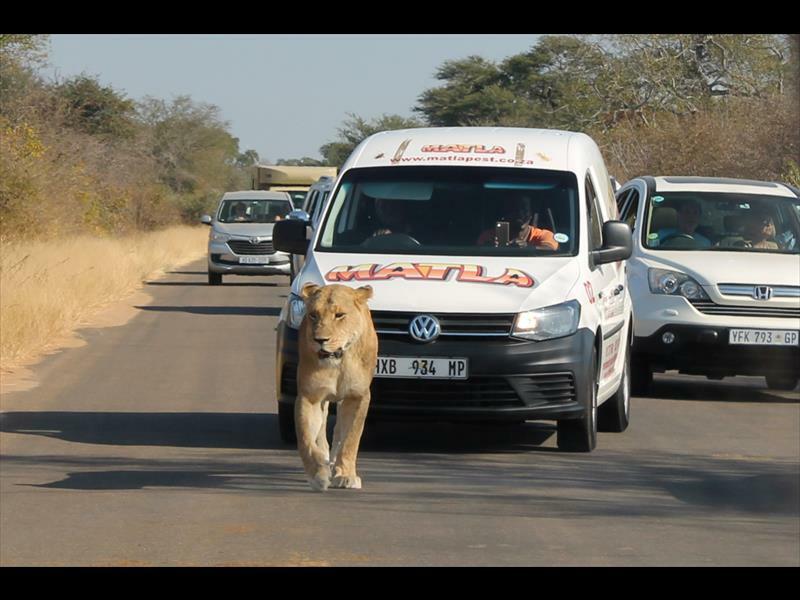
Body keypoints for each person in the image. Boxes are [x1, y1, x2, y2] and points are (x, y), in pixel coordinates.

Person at [477, 194, 558, 250]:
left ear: (531, 214)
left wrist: (527, 248)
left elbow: (550, 249)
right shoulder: (489, 236)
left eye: (524, 210)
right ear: (505, 213)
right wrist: (489, 249)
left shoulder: (543, 235)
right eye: (514, 210)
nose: (520, 214)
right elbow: (478, 252)